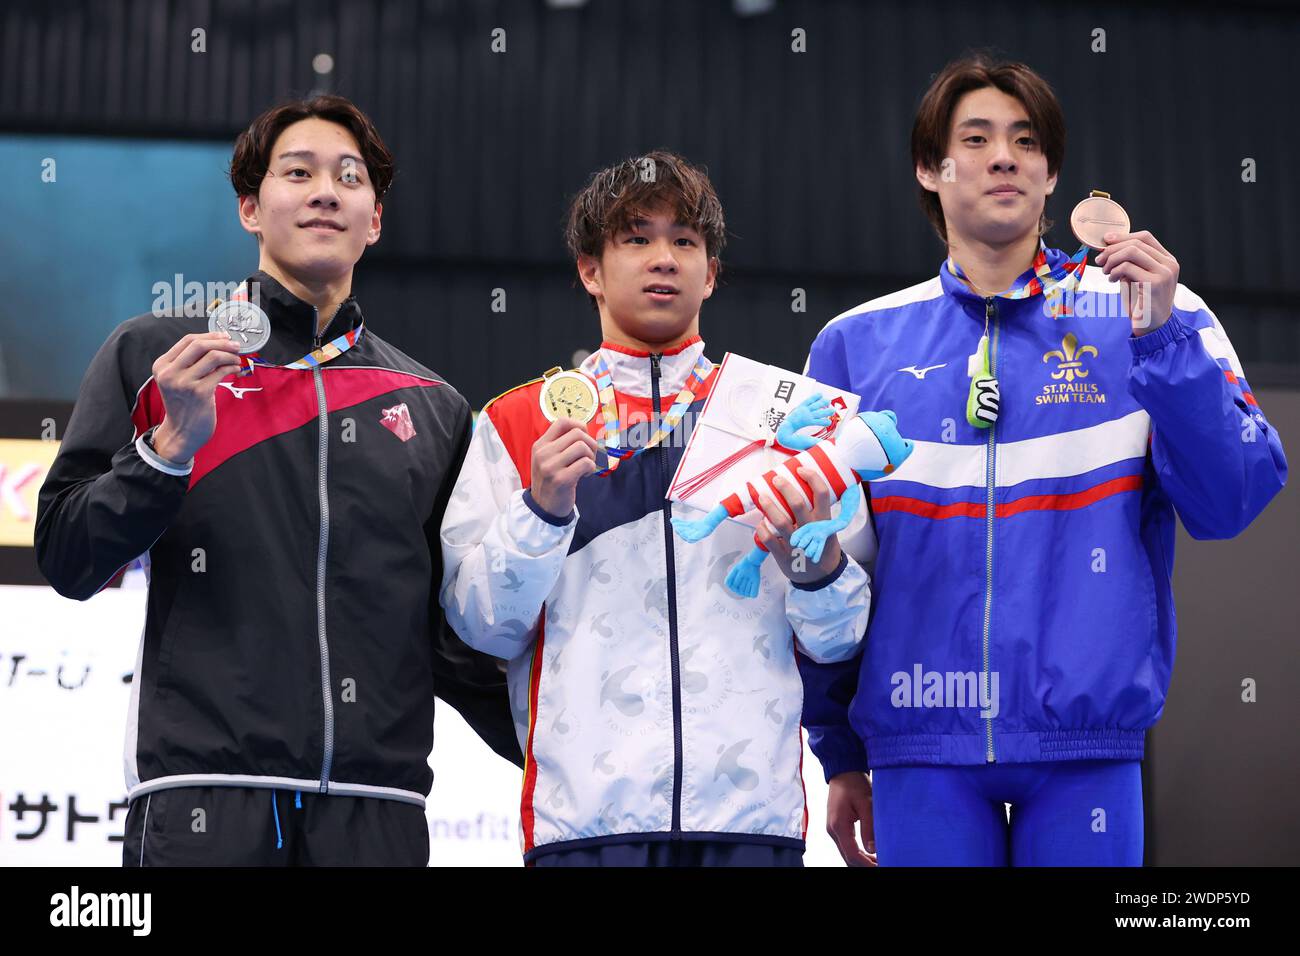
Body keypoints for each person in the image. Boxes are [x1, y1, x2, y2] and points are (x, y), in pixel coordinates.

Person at [799, 53, 1288, 867]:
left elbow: (1232, 499)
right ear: (930, 168)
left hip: (1087, 749)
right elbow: (823, 569)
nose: (1004, 157)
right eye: (977, 138)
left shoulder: (1154, 311)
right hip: (922, 747)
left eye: (1026, 142)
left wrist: (1162, 340)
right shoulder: (856, 344)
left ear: (1052, 172)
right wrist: (838, 750)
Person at [35, 94, 520, 867]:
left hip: (378, 811)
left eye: (349, 177)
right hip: (204, 797)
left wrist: (562, 746)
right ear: (250, 209)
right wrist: (166, 449)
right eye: (298, 172)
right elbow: (66, 557)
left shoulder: (434, 408)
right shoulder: (155, 357)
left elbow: (452, 637)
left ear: (376, 219)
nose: (326, 190)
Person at [439, 150, 871, 866]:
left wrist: (813, 556)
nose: (662, 258)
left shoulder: (786, 420)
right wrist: (542, 511)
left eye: (685, 240)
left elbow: (840, 638)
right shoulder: (517, 424)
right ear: (590, 270)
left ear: (711, 272)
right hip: (583, 823)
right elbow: (481, 626)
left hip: (751, 821)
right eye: (636, 238)